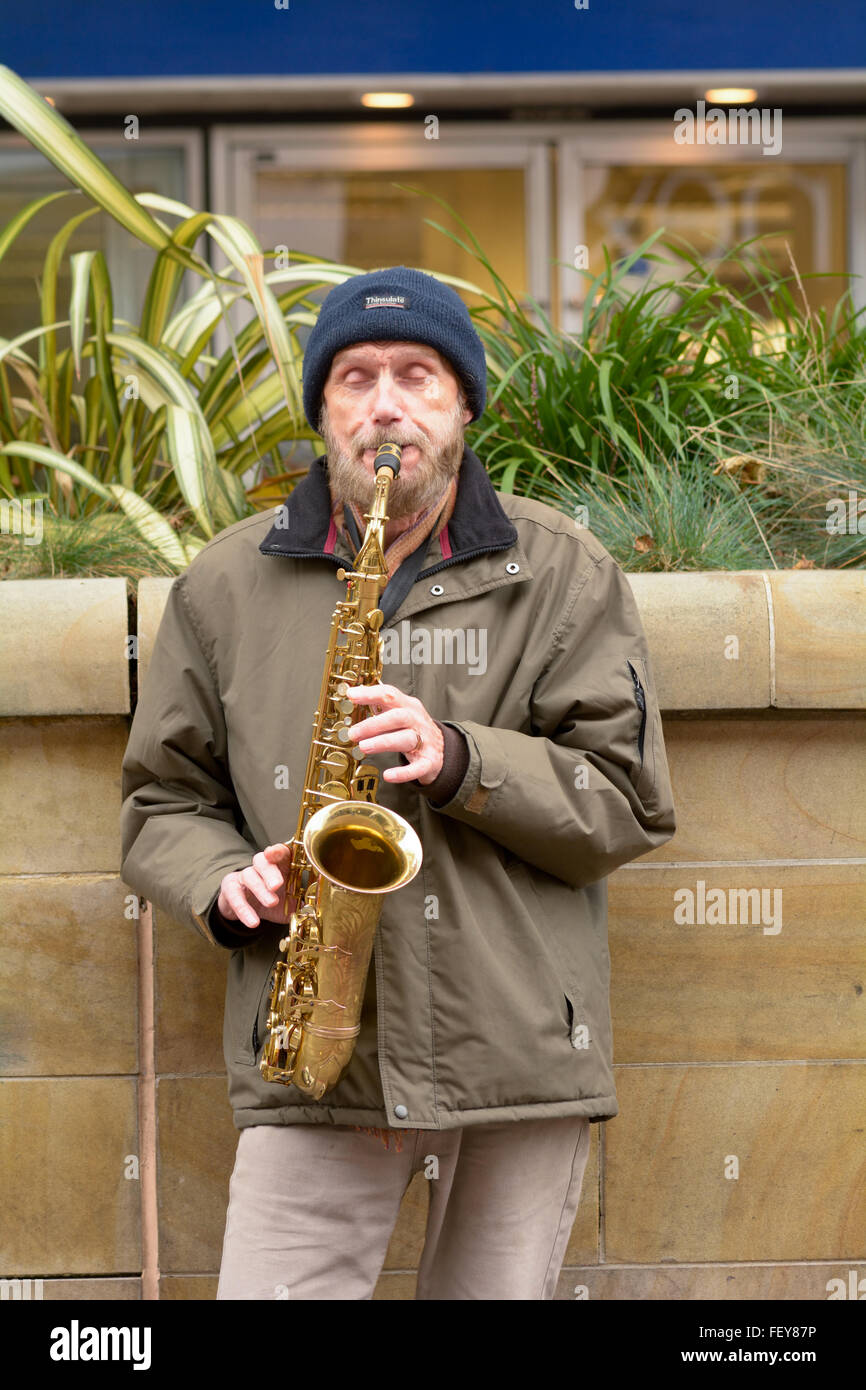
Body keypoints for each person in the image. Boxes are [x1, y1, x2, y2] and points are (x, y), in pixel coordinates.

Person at [120, 264, 677, 1300]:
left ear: (462, 403)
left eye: (417, 375)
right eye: (356, 377)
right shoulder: (226, 583)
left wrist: (464, 761)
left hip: (515, 1060)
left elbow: (626, 799)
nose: (386, 405)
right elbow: (161, 801)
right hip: (316, 1063)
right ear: (321, 409)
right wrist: (222, 885)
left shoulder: (562, 571)